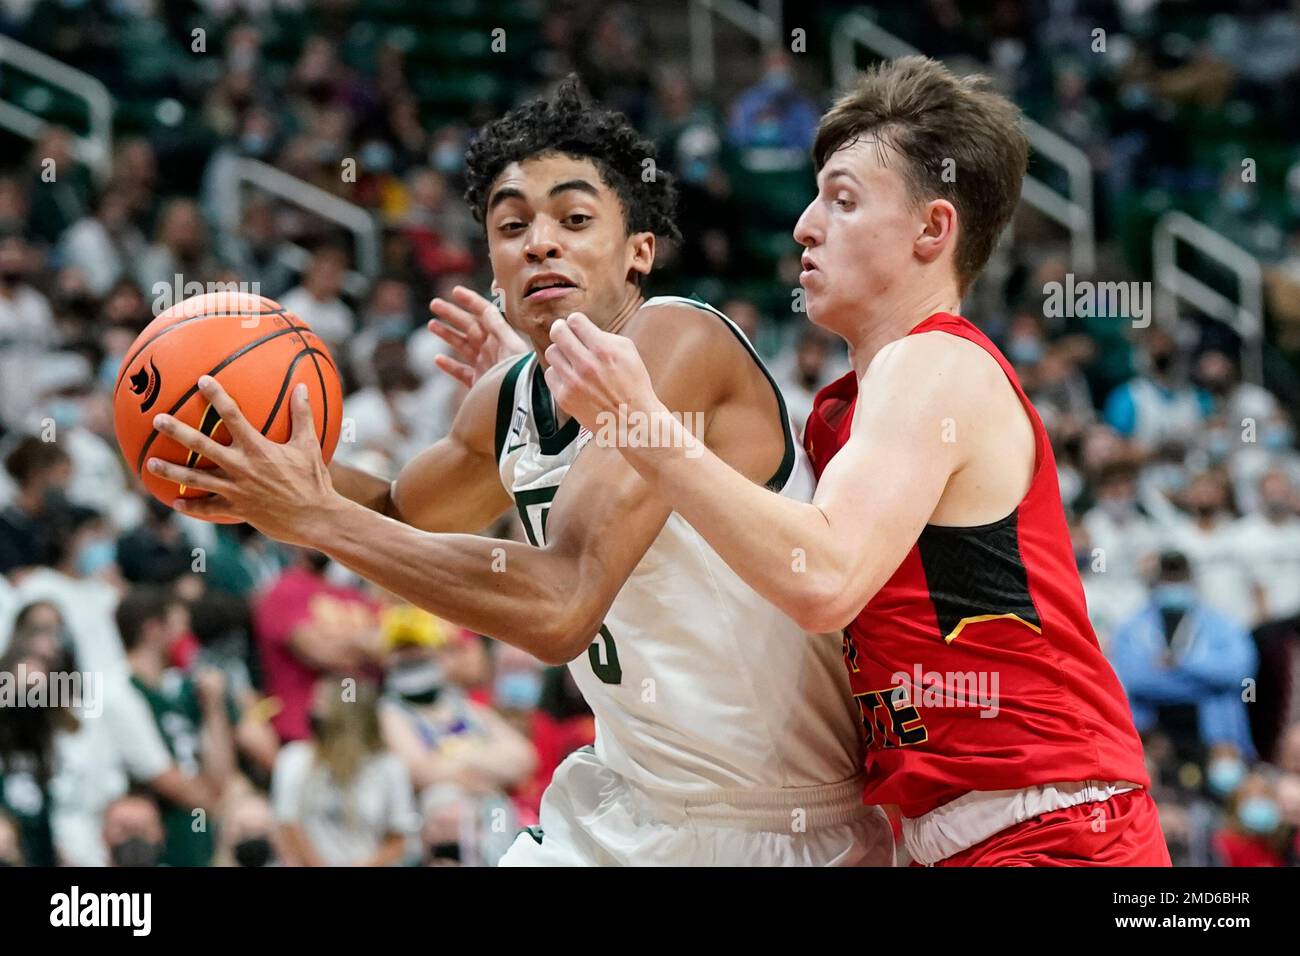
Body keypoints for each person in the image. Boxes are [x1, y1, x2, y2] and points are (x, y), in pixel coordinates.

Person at [143, 78, 892, 867]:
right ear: (493, 262)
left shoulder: (678, 341)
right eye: (511, 225)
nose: (539, 242)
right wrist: (248, 469)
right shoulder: (510, 401)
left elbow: (563, 603)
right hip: (626, 801)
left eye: (574, 219)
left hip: (778, 821)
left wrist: (320, 518)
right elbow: (402, 515)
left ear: (640, 250)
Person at [541, 57, 1169, 866]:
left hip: (1052, 826)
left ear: (932, 229)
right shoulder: (843, 412)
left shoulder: (936, 365)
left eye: (841, 200)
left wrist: (641, 425)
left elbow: (820, 579)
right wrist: (532, 376)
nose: (804, 224)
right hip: (953, 833)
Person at [1109, 551, 1258, 762]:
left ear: (1192, 580)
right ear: (1156, 582)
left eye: (1179, 578)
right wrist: (1207, 685)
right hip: (1153, 736)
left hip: (1214, 737)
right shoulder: (1132, 627)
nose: (1174, 585)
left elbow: (1239, 673)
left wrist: (1180, 664)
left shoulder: (1223, 624)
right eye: (1168, 578)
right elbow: (1135, 680)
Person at [270, 678, 417, 867]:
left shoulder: (389, 766)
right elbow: (287, 827)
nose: (313, 709)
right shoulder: (295, 758)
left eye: (322, 703)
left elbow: (399, 836)